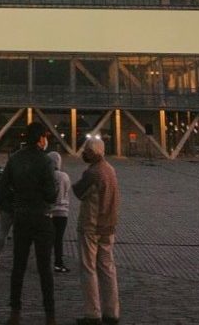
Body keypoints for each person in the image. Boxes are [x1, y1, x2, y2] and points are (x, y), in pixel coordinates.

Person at [0, 122, 57, 325]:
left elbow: (2, 187)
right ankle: (50, 315)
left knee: (18, 267)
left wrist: (16, 203)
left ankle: (15, 312)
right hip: (41, 217)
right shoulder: (46, 161)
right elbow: (51, 193)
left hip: (21, 217)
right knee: (44, 269)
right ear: (41, 138)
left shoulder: (14, 159)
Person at [73, 137, 120, 325]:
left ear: (93, 153)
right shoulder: (111, 170)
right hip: (109, 226)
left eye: (86, 150)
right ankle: (112, 312)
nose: (84, 153)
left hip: (91, 227)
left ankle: (93, 313)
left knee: (89, 269)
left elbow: (78, 191)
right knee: (108, 269)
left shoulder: (93, 173)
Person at [48, 151, 71, 273]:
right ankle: (58, 263)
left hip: (49, 211)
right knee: (58, 239)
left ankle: (45, 261)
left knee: (48, 238)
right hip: (62, 211)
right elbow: (67, 190)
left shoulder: (47, 175)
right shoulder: (64, 176)